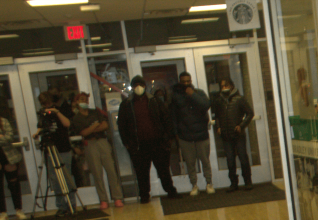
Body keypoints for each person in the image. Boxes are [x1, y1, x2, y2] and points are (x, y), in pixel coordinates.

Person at [117, 75, 180, 203]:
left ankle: (171, 191)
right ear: (132, 87)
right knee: (141, 173)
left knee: (164, 170)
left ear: (144, 86)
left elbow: (166, 119)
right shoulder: (126, 105)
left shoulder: (155, 101)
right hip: (138, 145)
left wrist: (168, 137)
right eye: (135, 86)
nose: (138, 88)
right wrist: (127, 143)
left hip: (158, 143)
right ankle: (144, 195)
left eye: (140, 85)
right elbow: (122, 126)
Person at [70, 92, 124, 210]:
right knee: (97, 173)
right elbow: (83, 133)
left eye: (86, 100)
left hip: (102, 141)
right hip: (90, 144)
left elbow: (105, 125)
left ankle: (117, 197)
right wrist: (94, 126)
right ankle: (103, 200)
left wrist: (91, 128)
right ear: (77, 102)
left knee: (111, 170)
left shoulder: (95, 112)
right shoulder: (76, 118)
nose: (85, 102)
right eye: (82, 100)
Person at [34, 91, 79, 216]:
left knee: (66, 175)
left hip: (63, 148)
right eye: (44, 104)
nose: (46, 106)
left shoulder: (60, 110)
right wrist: (37, 133)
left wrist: (56, 112)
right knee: (54, 179)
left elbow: (67, 124)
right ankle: (61, 206)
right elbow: (41, 126)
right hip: (50, 149)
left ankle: (72, 204)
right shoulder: (43, 114)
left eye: (48, 103)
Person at [171, 72, 214, 196]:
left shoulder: (199, 93)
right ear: (180, 82)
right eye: (183, 81)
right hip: (185, 136)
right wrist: (176, 133)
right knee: (190, 163)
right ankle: (194, 185)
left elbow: (206, 105)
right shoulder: (176, 96)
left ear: (191, 81)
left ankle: (209, 183)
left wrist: (192, 95)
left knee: (205, 161)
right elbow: (173, 116)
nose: (186, 84)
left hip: (201, 134)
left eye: (188, 81)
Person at [214, 78, 254, 192]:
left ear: (231, 85)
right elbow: (216, 116)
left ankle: (248, 182)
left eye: (226, 85)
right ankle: (233, 183)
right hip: (225, 135)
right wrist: (218, 127)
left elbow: (250, 113)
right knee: (230, 160)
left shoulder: (239, 99)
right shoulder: (219, 101)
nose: (224, 88)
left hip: (238, 134)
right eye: (222, 86)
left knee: (243, 157)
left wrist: (241, 125)